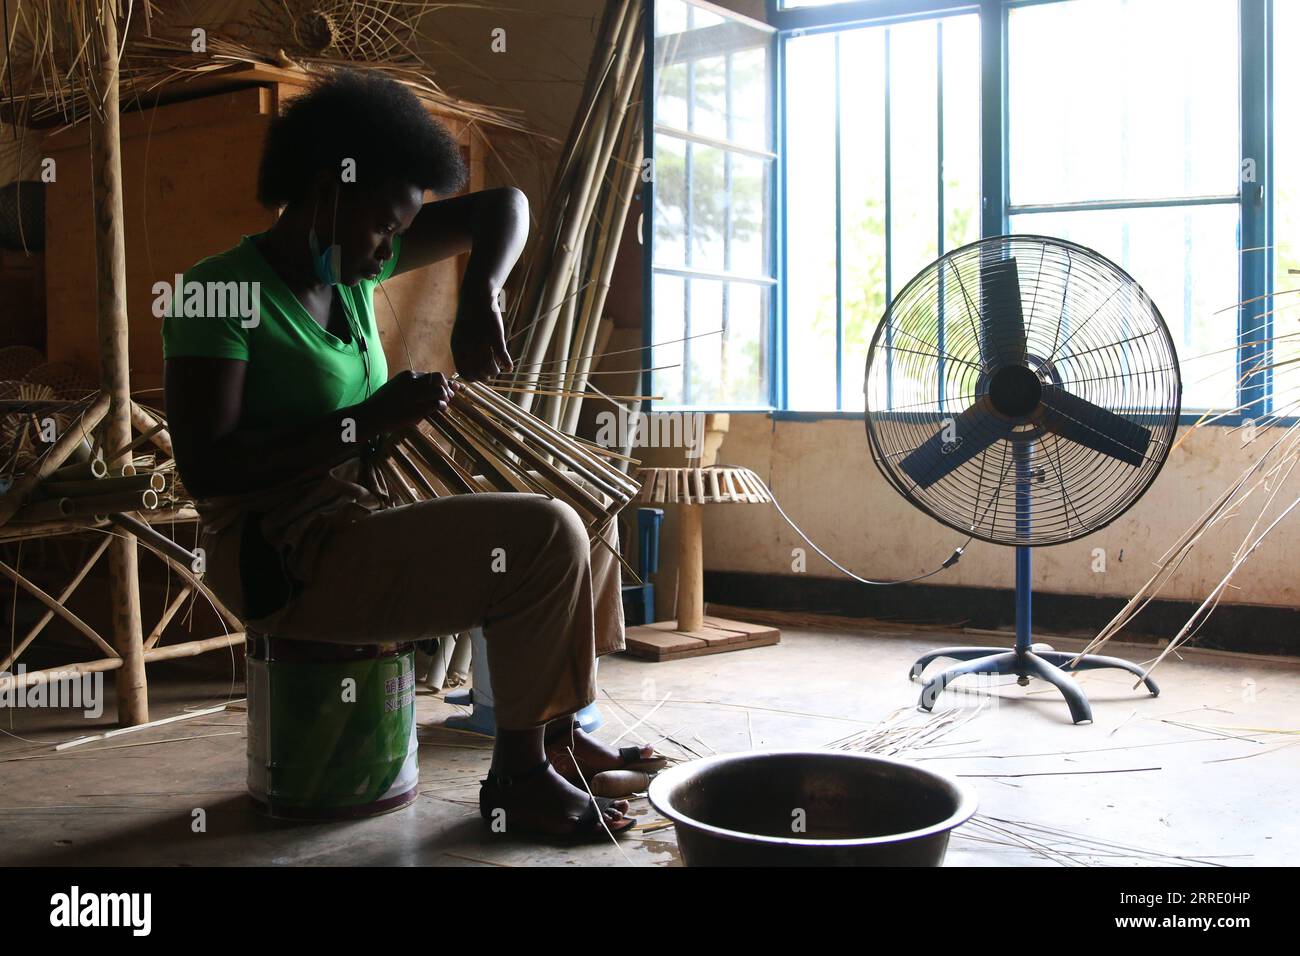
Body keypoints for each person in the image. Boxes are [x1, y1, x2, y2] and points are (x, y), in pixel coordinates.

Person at [161, 68, 662, 841]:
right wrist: (363, 423)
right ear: (331, 191)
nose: (390, 248)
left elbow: (505, 208)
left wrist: (481, 293)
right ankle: (519, 781)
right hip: (281, 553)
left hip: (357, 518)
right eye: (383, 227)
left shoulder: (350, 269)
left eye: (400, 231)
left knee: (583, 513)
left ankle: (557, 735)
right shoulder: (216, 293)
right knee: (542, 534)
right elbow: (209, 469)